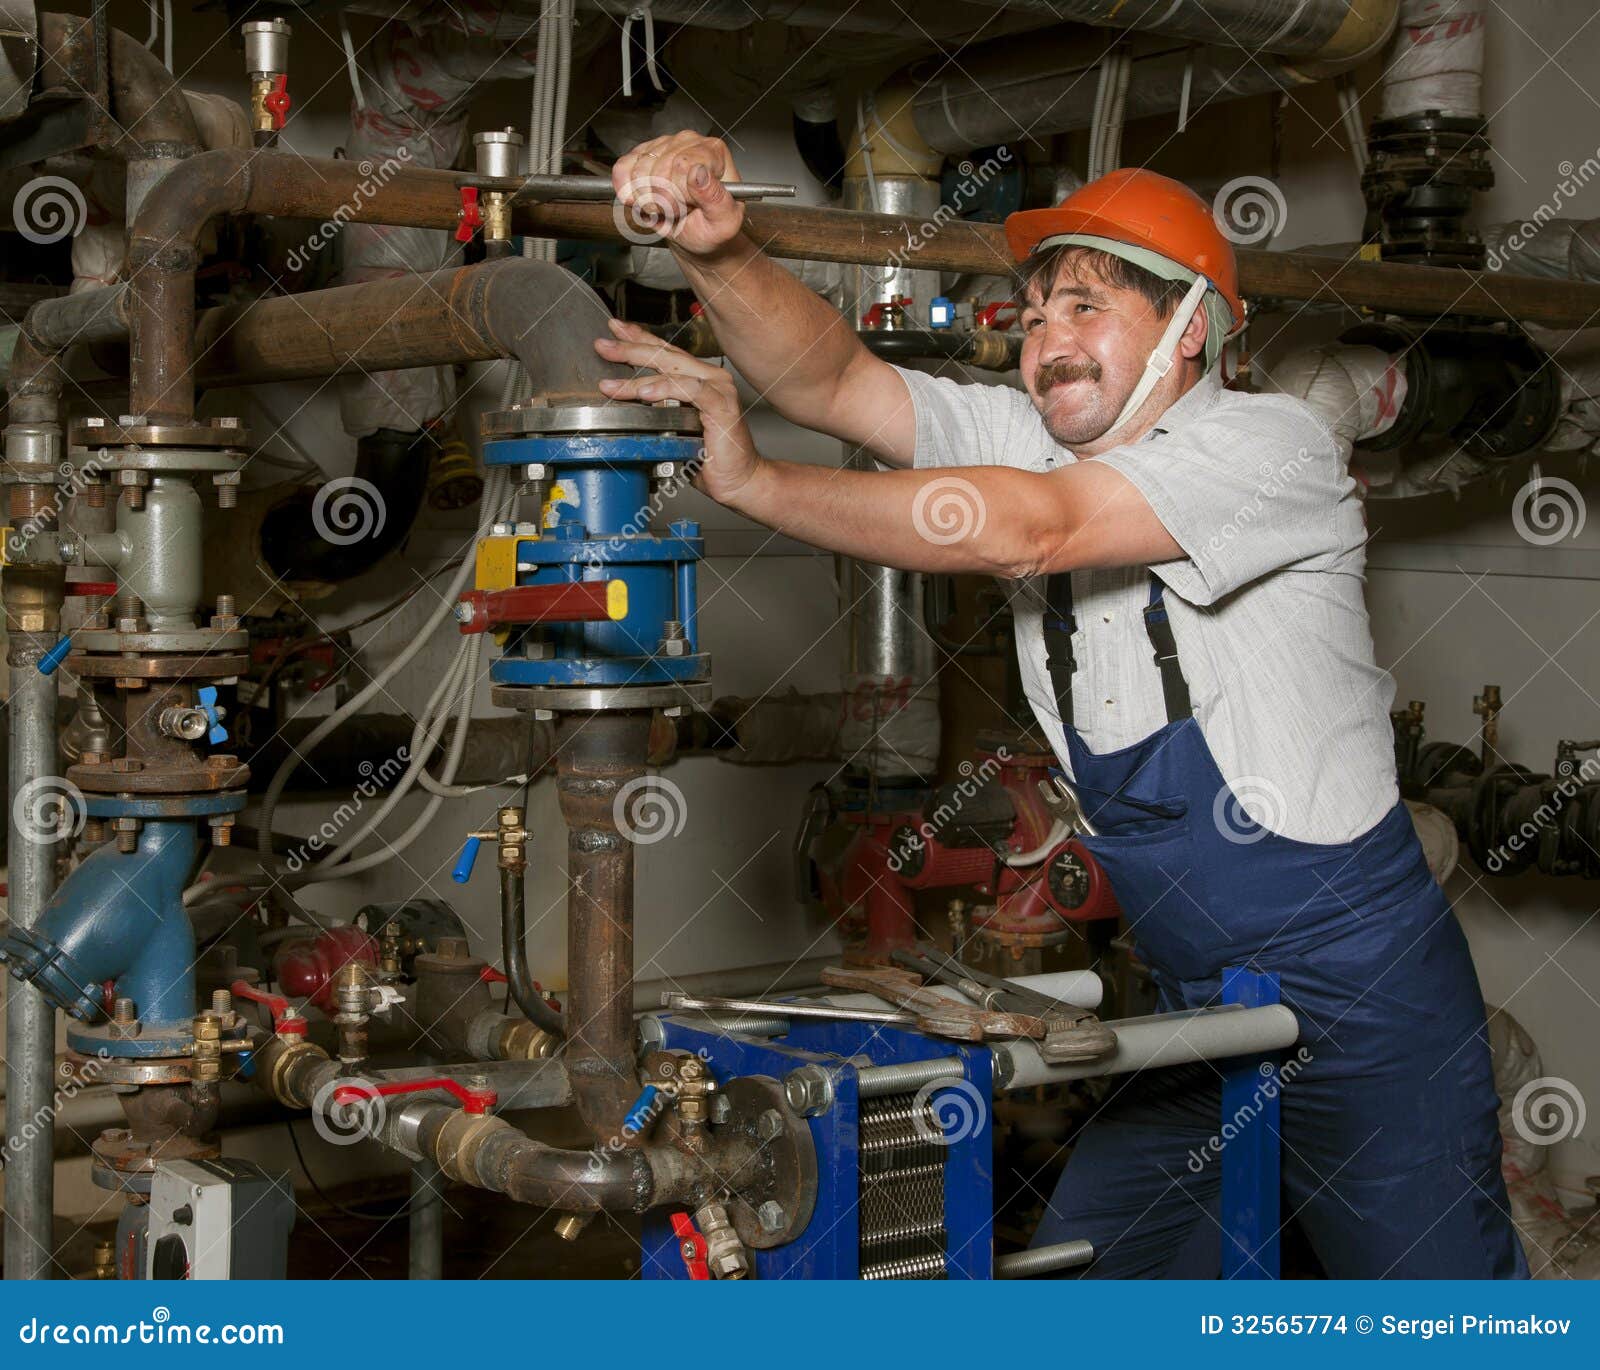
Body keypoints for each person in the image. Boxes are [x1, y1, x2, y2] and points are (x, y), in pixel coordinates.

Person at [595, 132, 1527, 1279]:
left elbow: (1035, 527)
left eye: (1085, 306)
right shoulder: (1027, 440)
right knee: (1100, 1281)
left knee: (1432, 1308)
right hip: (1194, 1003)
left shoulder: (1266, 444)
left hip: (1362, 990)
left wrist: (757, 484)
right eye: (1032, 317)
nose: (1046, 342)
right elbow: (832, 383)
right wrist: (722, 247)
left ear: (1189, 327)